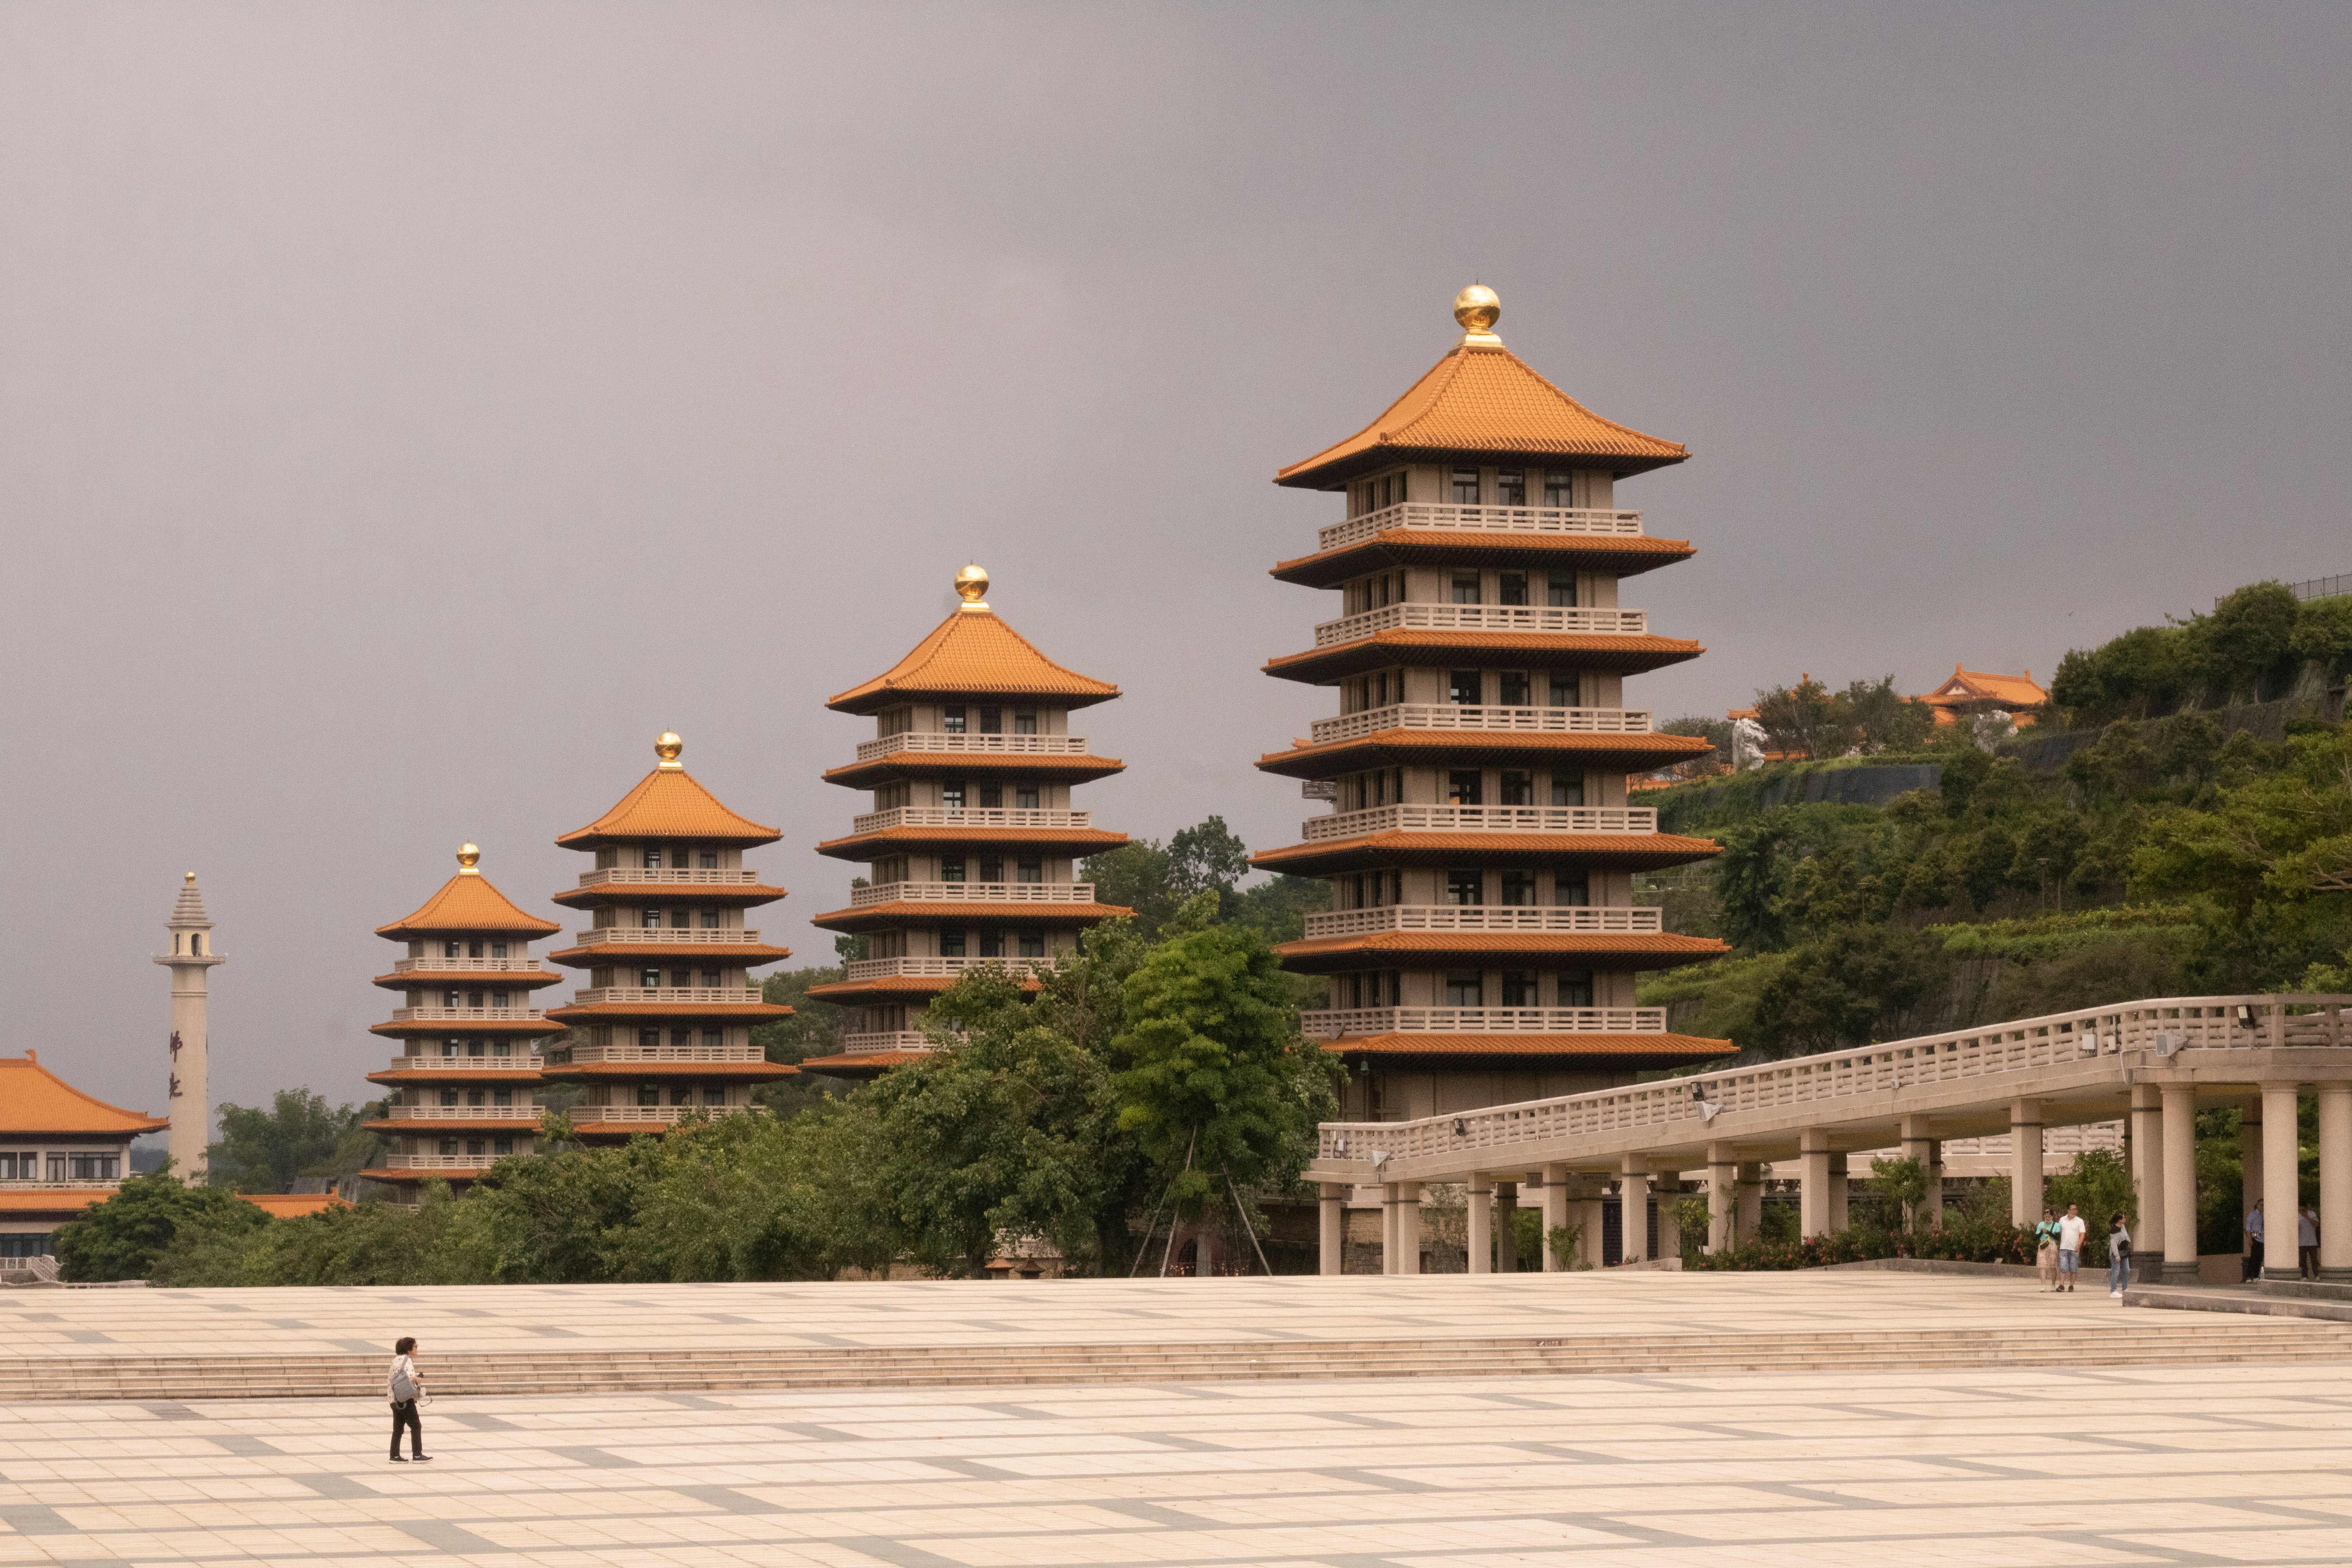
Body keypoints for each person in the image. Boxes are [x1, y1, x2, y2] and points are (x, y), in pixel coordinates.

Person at [388, 1336, 430, 1462]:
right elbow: (410, 1378)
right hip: (405, 1399)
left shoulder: (395, 1360)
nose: (417, 1349)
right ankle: (417, 1455)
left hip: (394, 1399)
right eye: (415, 1347)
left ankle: (394, 1456)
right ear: (409, 1349)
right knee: (416, 1426)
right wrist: (419, 1379)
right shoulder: (407, 1360)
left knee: (398, 1429)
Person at [2056, 1203, 2088, 1294]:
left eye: (2076, 1209)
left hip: (2074, 1248)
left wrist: (2079, 1245)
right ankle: (2062, 1285)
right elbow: (2058, 1232)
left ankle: (2071, 1286)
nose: (2075, 1211)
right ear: (2068, 1210)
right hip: (2064, 1248)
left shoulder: (2080, 1221)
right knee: (2063, 1267)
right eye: (2073, 1209)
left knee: (2074, 1269)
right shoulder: (2062, 1220)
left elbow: (2082, 1234)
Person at [2035, 1207, 2061, 1291]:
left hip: (2052, 1245)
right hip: (2043, 1245)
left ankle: (2053, 1285)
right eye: (2046, 1217)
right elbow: (2036, 1237)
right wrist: (2042, 1232)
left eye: (2049, 1217)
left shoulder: (2056, 1225)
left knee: (2053, 1266)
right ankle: (2043, 1285)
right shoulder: (2041, 1225)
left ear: (2052, 1217)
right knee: (2043, 1266)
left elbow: (2058, 1237)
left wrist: (2049, 1232)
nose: (2048, 1218)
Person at [2107, 1212, 2132, 1298]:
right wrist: (2117, 1256)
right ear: (2119, 1220)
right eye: (2123, 1218)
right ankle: (2113, 1290)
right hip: (2116, 1253)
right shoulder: (2114, 1230)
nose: (2125, 1219)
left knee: (2126, 1270)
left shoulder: (2123, 1227)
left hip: (2124, 1252)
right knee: (2116, 1271)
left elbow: (2125, 1237)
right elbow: (2113, 1244)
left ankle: (2125, 1288)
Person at [2246, 1200, 2265, 1282]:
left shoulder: (2264, 1215)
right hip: (2255, 1237)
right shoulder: (2253, 1215)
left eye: (2263, 1205)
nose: (2262, 1206)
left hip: (2263, 1239)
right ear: (2257, 1205)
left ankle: (2256, 1276)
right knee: (2254, 1257)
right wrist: (2250, 1239)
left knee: (2260, 1258)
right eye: (2261, 1205)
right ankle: (2248, 1276)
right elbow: (2248, 1228)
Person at [2300, 1205, 2320, 1279]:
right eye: (2300, 1210)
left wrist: (2307, 1217)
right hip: (2302, 1243)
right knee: (2303, 1261)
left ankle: (2317, 1275)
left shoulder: (2312, 1214)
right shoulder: (2298, 1216)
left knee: (2314, 1260)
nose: (2301, 1211)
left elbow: (2316, 1224)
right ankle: (2305, 1276)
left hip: (2312, 1242)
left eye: (2303, 1209)